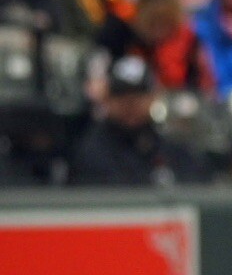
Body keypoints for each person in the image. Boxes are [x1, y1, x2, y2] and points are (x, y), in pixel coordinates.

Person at [70, 54, 210, 186]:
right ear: (107, 99)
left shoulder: (173, 148)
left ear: (153, 97)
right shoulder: (91, 151)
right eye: (121, 94)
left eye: (139, 94)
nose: (130, 103)